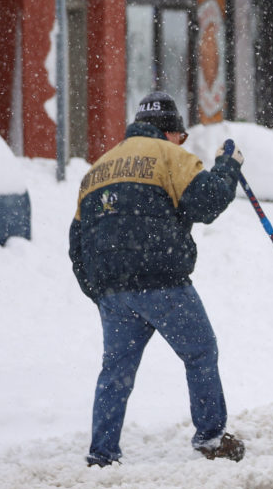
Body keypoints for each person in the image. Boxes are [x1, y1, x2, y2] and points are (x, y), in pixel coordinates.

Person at [69, 91, 246, 467]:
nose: (182, 143)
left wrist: (100, 291)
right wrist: (228, 165)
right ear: (170, 133)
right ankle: (211, 438)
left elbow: (76, 243)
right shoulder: (170, 156)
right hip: (163, 282)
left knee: (115, 372)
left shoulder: (98, 169)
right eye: (181, 137)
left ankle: (102, 453)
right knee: (200, 352)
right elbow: (208, 202)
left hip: (114, 293)